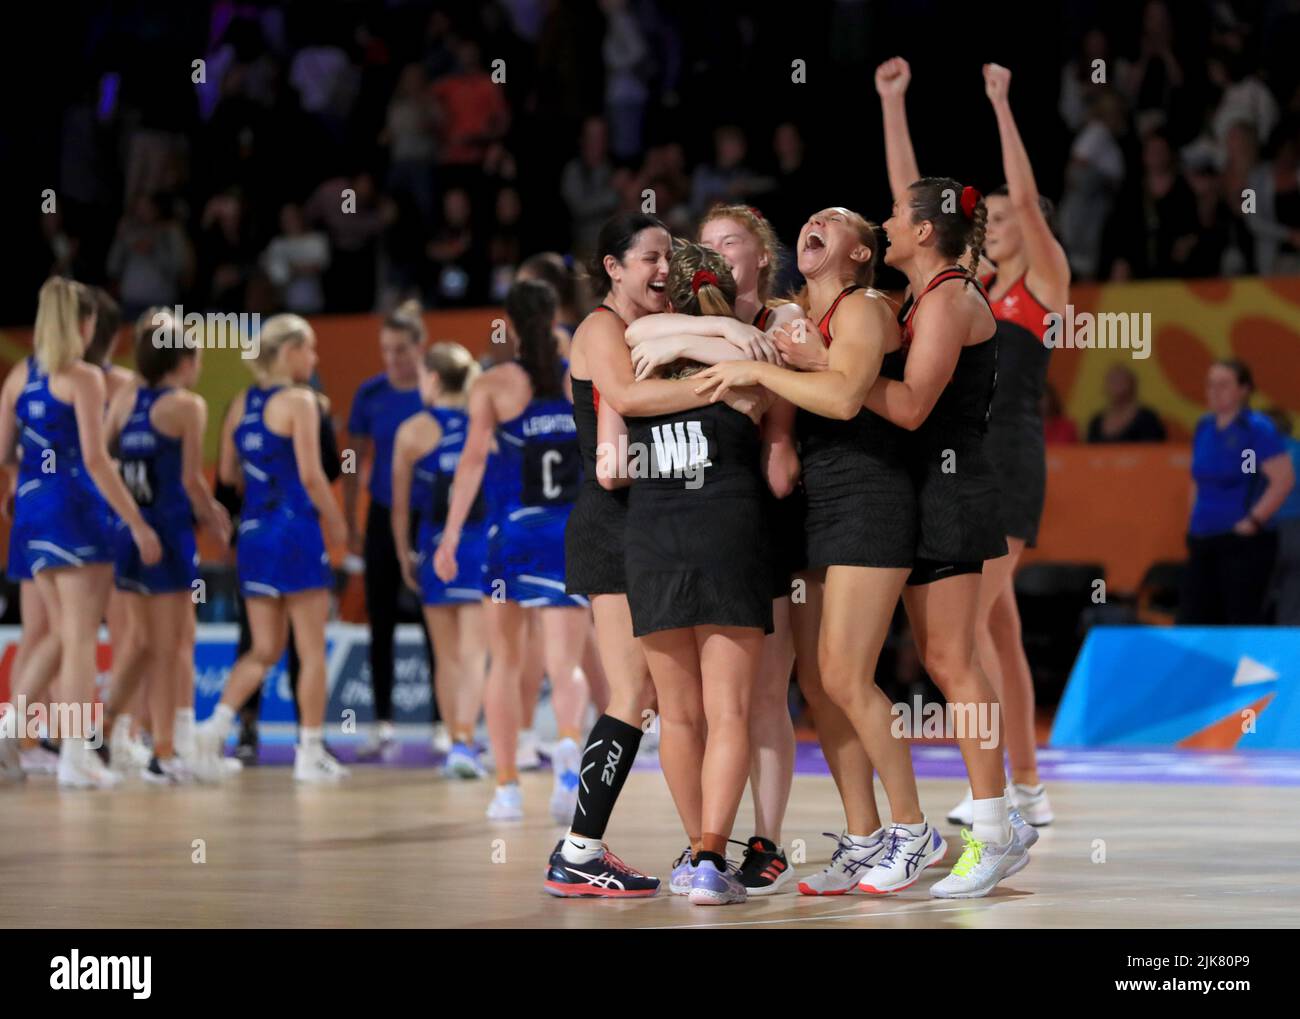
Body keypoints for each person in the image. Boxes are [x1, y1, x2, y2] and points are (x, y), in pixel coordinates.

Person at [696, 206, 939, 897]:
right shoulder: (791, 314)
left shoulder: (863, 307)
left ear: (861, 254)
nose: (814, 224)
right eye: (810, 219)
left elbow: (841, 398)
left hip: (870, 500)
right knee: (819, 683)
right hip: (812, 510)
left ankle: (913, 827)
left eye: (832, 223)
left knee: (846, 673)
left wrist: (777, 372)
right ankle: (863, 838)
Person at [625, 203, 804, 894]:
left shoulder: (778, 323)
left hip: (743, 520)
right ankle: (707, 850)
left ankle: (762, 836)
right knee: (722, 702)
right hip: (730, 517)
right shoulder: (724, 337)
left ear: (760, 254)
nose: (719, 253)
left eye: (732, 241)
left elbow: (782, 449)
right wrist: (715, 329)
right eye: (709, 245)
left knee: (760, 696)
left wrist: (687, 340)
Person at [865, 168, 1033, 897]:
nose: (886, 223)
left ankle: (994, 831)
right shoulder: (929, 295)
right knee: (946, 660)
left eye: (897, 214)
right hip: (933, 488)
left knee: (955, 663)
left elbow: (906, 407)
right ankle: (1000, 824)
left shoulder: (949, 297)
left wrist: (829, 370)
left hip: (954, 490)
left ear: (926, 231)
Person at [434, 280, 589, 822]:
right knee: (564, 663)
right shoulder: (580, 378)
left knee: (505, 662)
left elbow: (472, 463)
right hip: (568, 532)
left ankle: (506, 787)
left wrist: (451, 534)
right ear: (555, 319)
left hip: (512, 536)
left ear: (510, 326)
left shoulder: (493, 384)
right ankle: (569, 747)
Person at [0, 278, 161, 786]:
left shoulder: (19, 377)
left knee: (57, 634)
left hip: (32, 510)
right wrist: (136, 523)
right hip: (76, 511)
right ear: (84, 325)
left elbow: (4, 452)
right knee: (81, 637)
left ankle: (8, 733)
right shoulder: (85, 377)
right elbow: (95, 459)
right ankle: (75, 754)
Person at [195, 315, 350, 783]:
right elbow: (310, 474)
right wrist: (338, 523)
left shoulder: (241, 403)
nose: (316, 358)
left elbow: (226, 473)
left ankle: (213, 727)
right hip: (295, 530)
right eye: (310, 349)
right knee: (311, 648)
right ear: (289, 352)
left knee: (263, 648)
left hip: (255, 532)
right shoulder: (301, 401)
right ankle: (309, 751)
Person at [103, 308, 231, 783]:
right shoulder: (187, 407)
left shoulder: (124, 399)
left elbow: (104, 461)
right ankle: (164, 751)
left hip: (130, 530)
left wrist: (131, 519)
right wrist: (214, 514)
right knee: (166, 643)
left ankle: (104, 728)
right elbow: (191, 480)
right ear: (183, 360)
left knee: (140, 642)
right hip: (169, 533)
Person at [391, 342, 488, 778]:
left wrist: (403, 554)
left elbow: (397, 507)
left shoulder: (412, 430)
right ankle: (465, 742)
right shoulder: (483, 422)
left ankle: (455, 742)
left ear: (431, 378)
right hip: (477, 545)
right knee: (474, 654)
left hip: (434, 546)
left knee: (445, 655)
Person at [343, 302, 432, 761]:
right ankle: (382, 724)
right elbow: (354, 462)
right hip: (381, 514)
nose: (392, 358)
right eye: (386, 350)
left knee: (436, 618)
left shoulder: (433, 391)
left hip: (428, 515)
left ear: (420, 347)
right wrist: (349, 520)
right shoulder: (370, 393)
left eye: (401, 349)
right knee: (379, 620)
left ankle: (442, 723)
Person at [1178, 360, 1294, 624]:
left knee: (1239, 617)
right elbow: (1197, 478)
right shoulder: (1204, 427)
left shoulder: (1256, 429)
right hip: (1203, 536)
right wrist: (1192, 521)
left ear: (1244, 390)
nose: (1215, 392)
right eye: (1210, 385)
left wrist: (1253, 520)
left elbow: (1283, 479)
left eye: (1223, 385)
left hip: (1241, 541)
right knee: (1194, 616)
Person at [1086, 365, 1166, 443]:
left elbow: (1154, 449)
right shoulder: (1096, 422)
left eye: (1121, 381)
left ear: (1132, 384)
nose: (1117, 385)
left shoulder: (1147, 418)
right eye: (1113, 381)